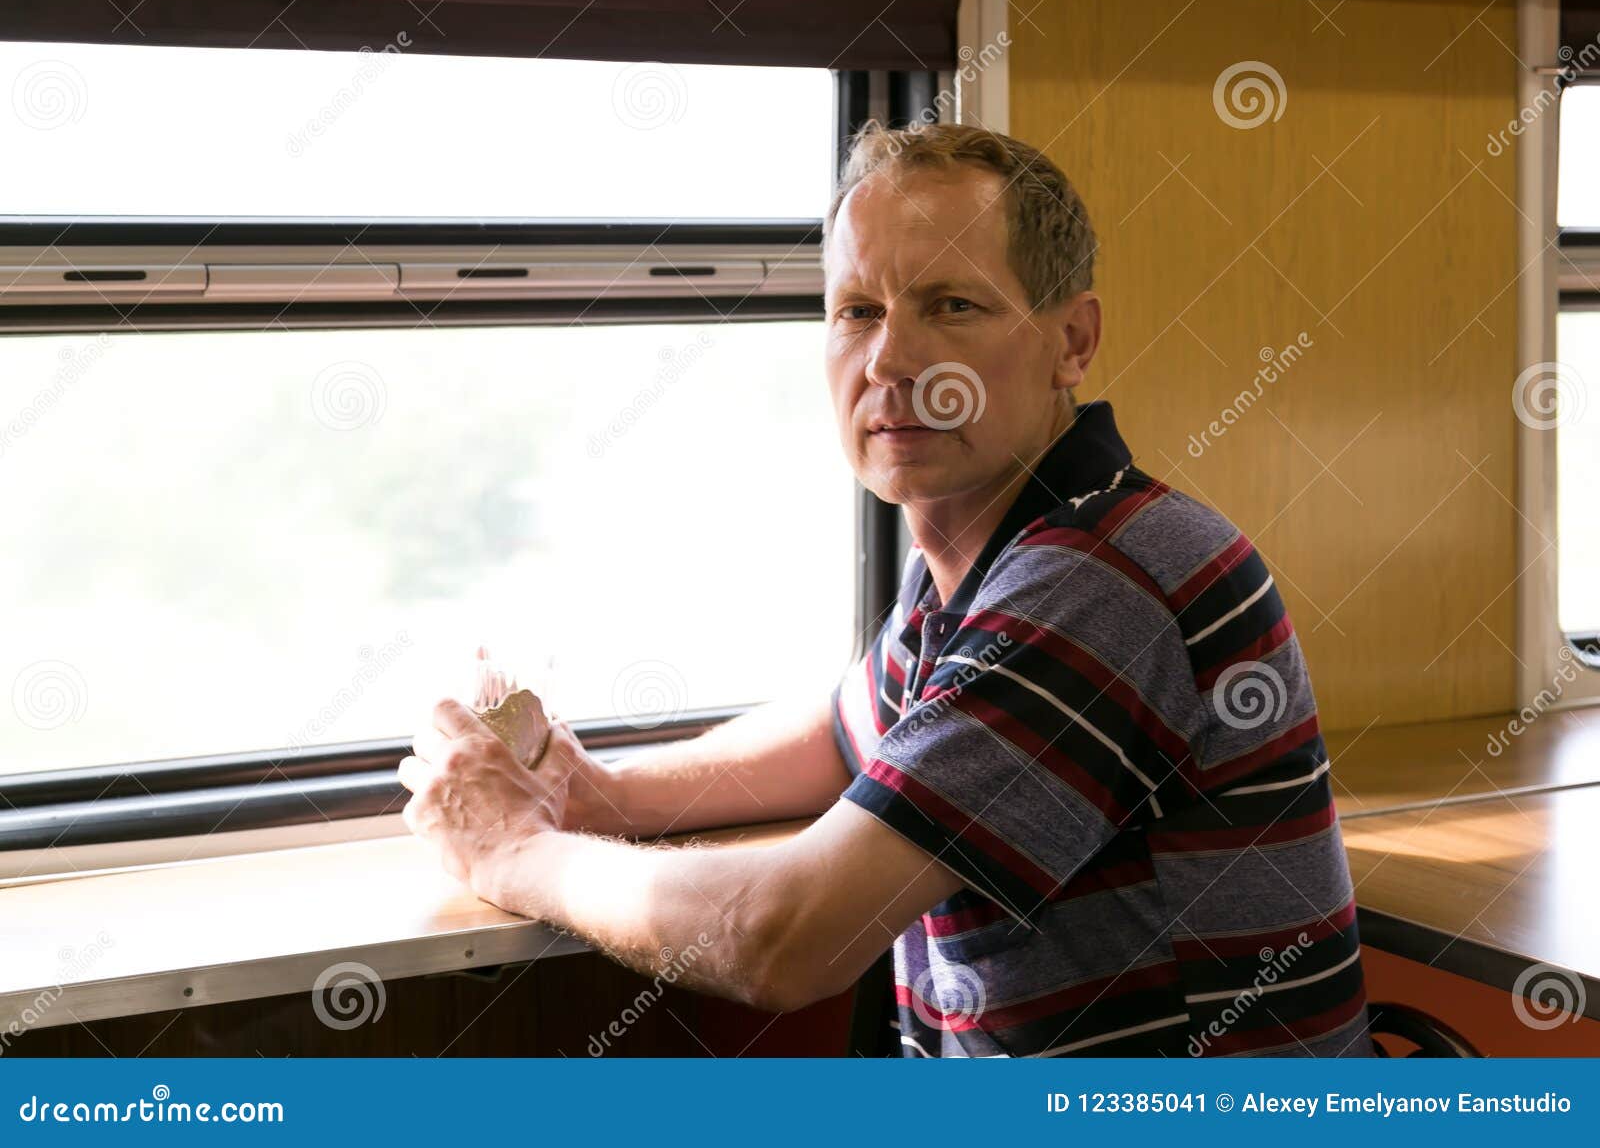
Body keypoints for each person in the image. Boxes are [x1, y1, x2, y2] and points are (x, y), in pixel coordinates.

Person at [397, 122, 1373, 1058]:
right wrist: (599, 792)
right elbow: (841, 734)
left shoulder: (1105, 579)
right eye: (857, 311)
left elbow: (788, 938)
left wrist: (509, 851)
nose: (891, 361)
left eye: (951, 305)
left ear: (1071, 342)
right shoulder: (986, 551)